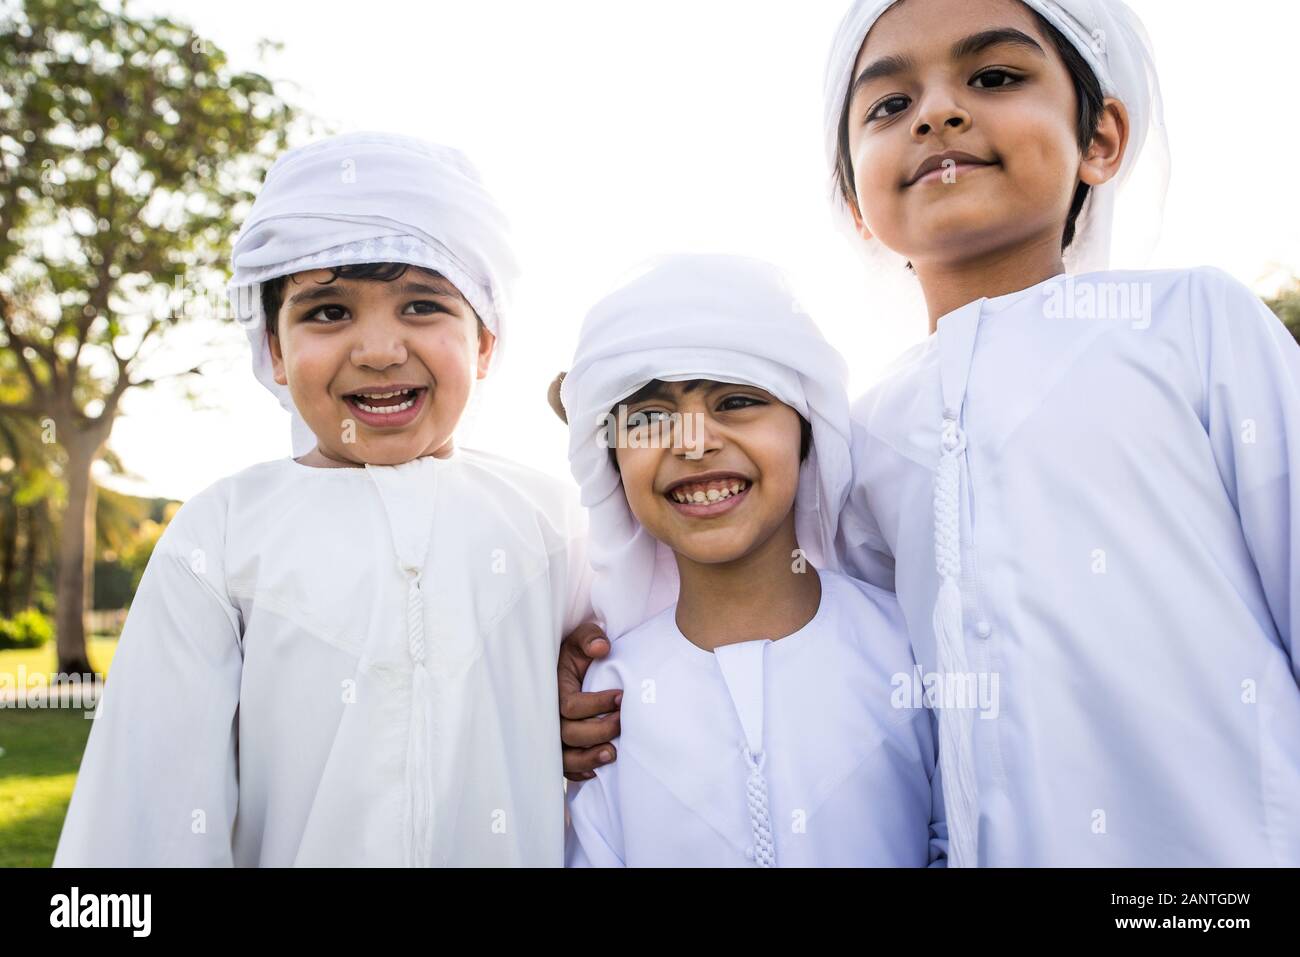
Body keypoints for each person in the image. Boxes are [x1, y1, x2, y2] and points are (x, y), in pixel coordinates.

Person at [562, 0, 1300, 866]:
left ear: (1100, 137)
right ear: (853, 200)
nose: (937, 113)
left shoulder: (1191, 325)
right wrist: (577, 666)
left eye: (994, 77)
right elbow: (825, 661)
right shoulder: (866, 434)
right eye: (887, 105)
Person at [55, 132, 591, 867]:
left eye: (423, 306)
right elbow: (148, 815)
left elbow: (648, 673)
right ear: (274, 348)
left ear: (486, 340)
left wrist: (587, 687)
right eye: (329, 312)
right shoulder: (221, 535)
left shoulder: (554, 525)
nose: (377, 349)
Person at [557, 255, 944, 866]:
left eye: (736, 401)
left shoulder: (911, 649)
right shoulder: (608, 696)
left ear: (806, 434)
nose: (693, 442)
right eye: (650, 418)